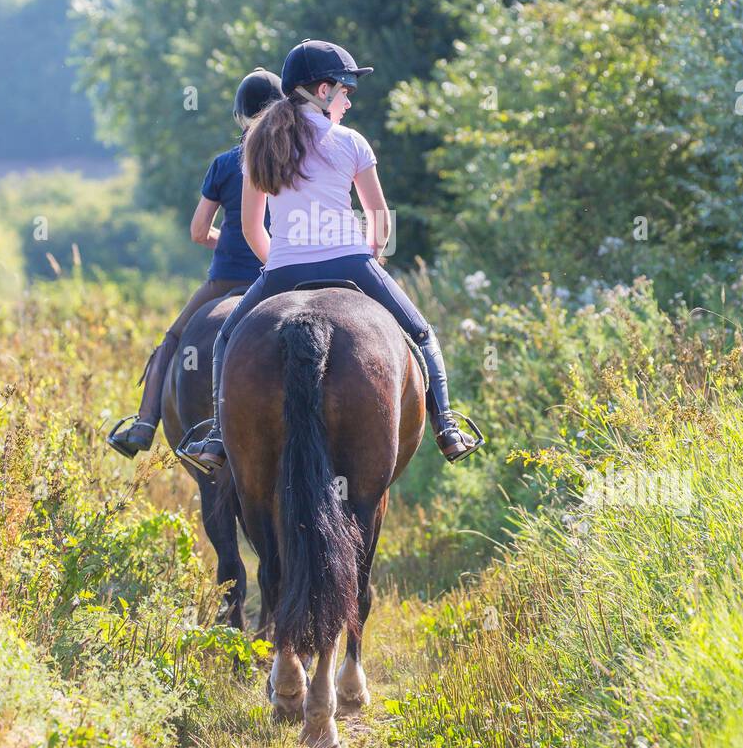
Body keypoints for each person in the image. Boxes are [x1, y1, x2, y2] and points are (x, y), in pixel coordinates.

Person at [181, 39, 484, 472]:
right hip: (351, 265)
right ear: (323, 91)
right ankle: (447, 427)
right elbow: (378, 216)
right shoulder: (350, 142)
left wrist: (277, 265)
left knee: (226, 339)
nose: (348, 101)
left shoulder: (256, 145)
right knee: (420, 334)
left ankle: (215, 436)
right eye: (346, 90)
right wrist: (372, 260)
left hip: (283, 270)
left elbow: (250, 227)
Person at [107, 68, 283, 458]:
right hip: (278, 276)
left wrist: (229, 240)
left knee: (172, 341)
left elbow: (199, 231)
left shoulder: (223, 164)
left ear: (240, 116)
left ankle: (143, 426)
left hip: (225, 281)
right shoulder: (290, 160)